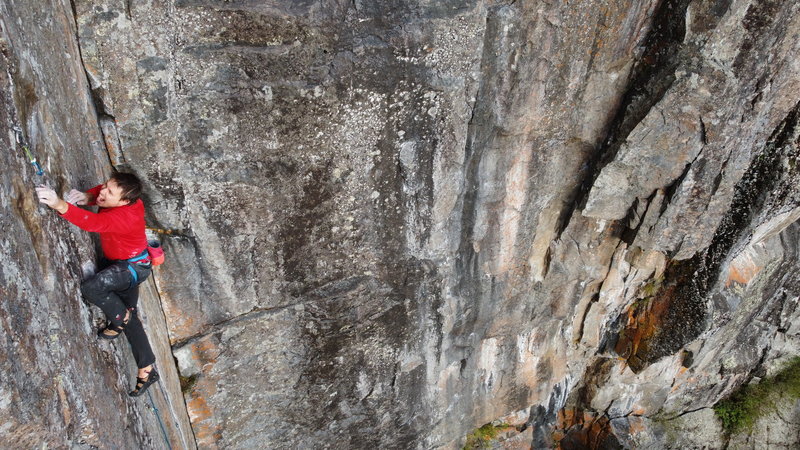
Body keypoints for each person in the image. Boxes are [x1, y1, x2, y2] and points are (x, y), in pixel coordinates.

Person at [36, 172, 159, 397]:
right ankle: (147, 368)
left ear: (124, 202)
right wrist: (87, 196)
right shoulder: (128, 198)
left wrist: (58, 204)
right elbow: (100, 193)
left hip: (131, 268)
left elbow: (92, 223)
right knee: (128, 315)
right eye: (106, 187)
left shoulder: (124, 216)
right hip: (126, 261)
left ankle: (120, 321)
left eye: (109, 192)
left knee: (94, 289)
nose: (103, 191)